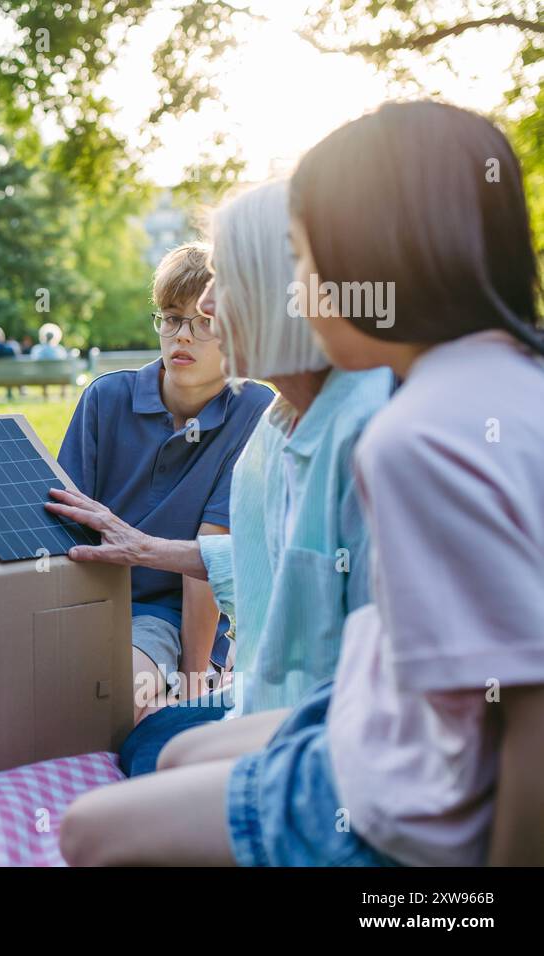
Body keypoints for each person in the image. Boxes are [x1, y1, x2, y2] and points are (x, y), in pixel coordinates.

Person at [58, 101, 544, 866]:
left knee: (90, 826)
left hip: (393, 801)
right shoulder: (494, 388)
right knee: (169, 751)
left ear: (380, 254)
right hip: (373, 739)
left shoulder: (411, 432)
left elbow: (525, 713)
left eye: (306, 254)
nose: (211, 307)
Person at [51, 181, 393, 776]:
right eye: (175, 315)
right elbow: (256, 565)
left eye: (224, 281)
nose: (203, 310)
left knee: (128, 770)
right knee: (150, 744)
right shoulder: (278, 427)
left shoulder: (345, 426)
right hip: (271, 701)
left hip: (330, 737)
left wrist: (197, 671)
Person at [57, 242, 273, 725]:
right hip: (90, 602)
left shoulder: (252, 410)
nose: (184, 336)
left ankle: (169, 716)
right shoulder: (106, 398)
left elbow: (207, 566)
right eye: (172, 318)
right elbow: (62, 519)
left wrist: (195, 693)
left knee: (113, 696)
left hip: (167, 617)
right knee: (47, 693)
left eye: (204, 322)